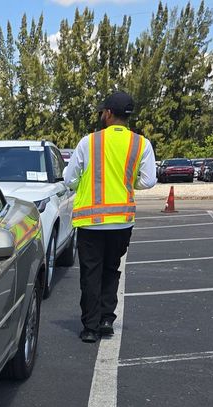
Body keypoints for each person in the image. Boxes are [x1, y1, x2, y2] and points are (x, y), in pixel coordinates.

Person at [63, 91, 157, 343]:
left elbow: (69, 179)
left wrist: (80, 183)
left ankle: (90, 327)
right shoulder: (141, 144)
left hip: (91, 223)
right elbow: (149, 180)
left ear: (107, 113)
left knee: (90, 274)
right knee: (111, 269)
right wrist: (128, 181)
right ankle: (106, 319)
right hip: (122, 222)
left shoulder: (89, 142)